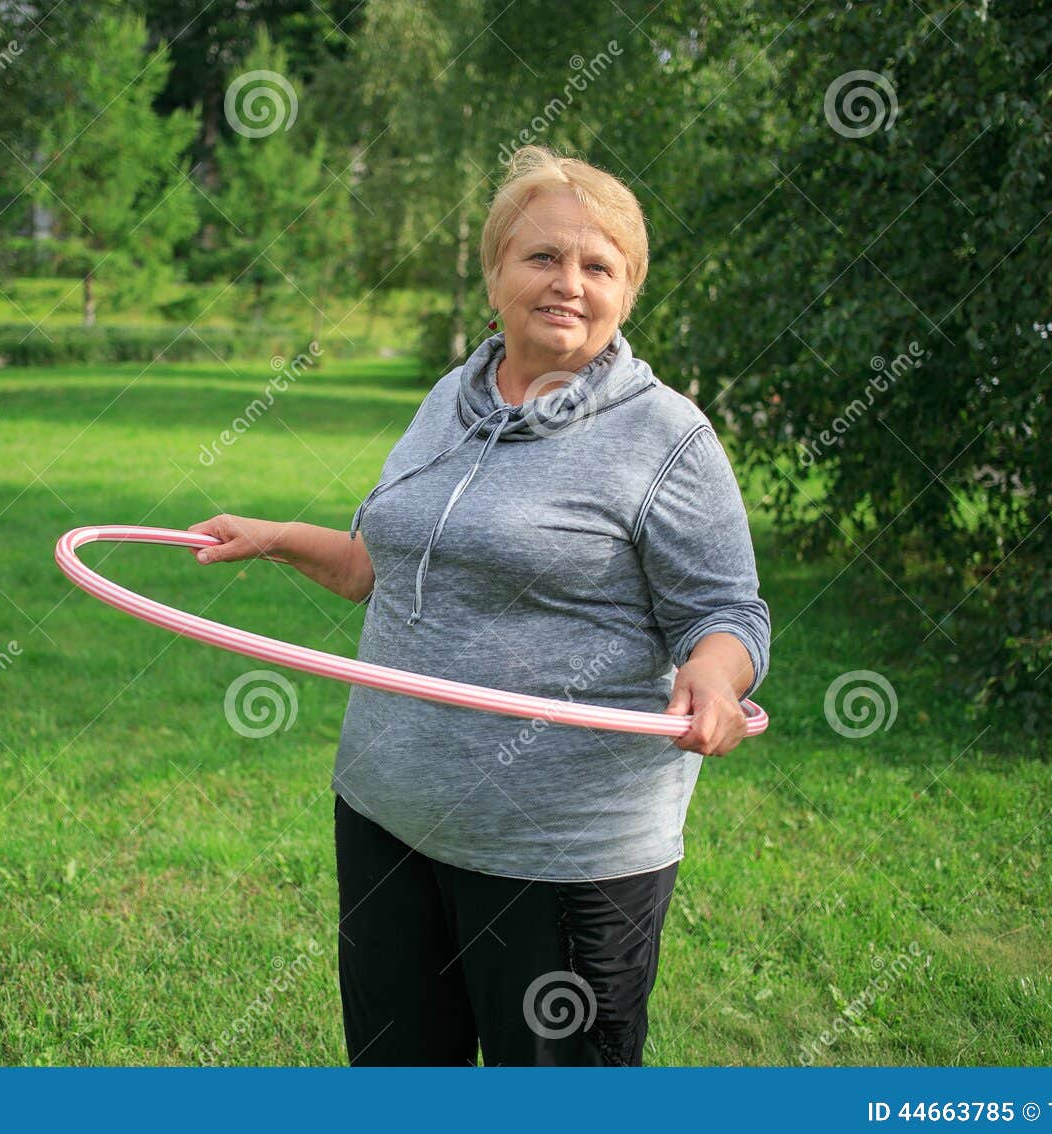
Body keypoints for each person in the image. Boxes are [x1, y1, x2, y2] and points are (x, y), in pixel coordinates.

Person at [188, 144, 770, 1067]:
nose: (568, 283)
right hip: (388, 812)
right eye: (542, 257)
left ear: (628, 291)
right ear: (495, 272)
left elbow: (729, 613)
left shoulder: (666, 435)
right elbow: (372, 565)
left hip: (558, 851)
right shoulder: (449, 400)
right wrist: (276, 535)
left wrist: (711, 671)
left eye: (598, 265)